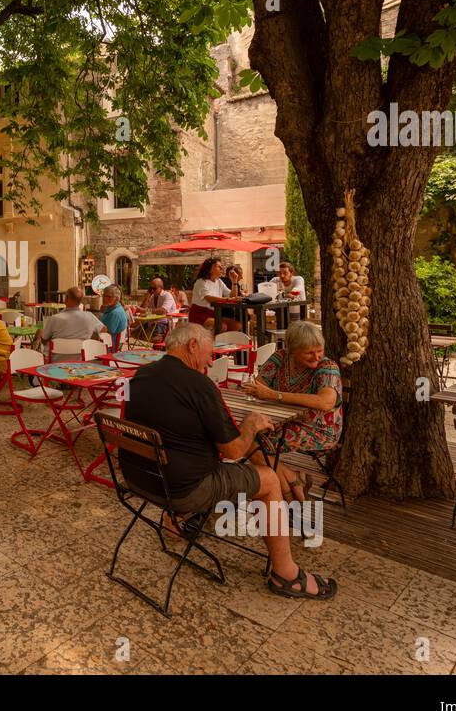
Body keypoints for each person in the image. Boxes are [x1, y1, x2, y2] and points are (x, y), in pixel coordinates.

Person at [124, 322, 337, 600]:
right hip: (182, 490)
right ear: (192, 346)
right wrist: (249, 424)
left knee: (241, 463)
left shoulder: (140, 376)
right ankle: (285, 574)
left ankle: (181, 519)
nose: (211, 361)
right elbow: (235, 451)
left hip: (139, 479)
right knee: (268, 478)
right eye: (209, 354)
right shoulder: (200, 385)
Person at [241, 320, 343, 502]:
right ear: (292, 350)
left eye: (320, 350)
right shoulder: (280, 358)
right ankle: (291, 478)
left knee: (250, 442)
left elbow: (326, 402)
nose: (317, 356)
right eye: (309, 352)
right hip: (280, 421)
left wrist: (275, 395)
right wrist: (265, 392)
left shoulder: (327, 367)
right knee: (244, 436)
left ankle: (282, 492)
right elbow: (259, 385)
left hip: (318, 429)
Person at [36, 284, 104, 359]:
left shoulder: (54, 318)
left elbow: (44, 340)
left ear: (66, 299)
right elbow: (103, 329)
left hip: (55, 360)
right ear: (80, 301)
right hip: (81, 360)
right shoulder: (90, 317)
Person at [188, 256, 241, 331]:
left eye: (221, 267)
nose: (221, 269)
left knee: (236, 325)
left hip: (213, 313)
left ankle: (224, 342)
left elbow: (233, 296)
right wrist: (228, 300)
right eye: (218, 267)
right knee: (222, 326)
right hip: (199, 314)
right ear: (210, 269)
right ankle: (214, 342)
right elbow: (209, 298)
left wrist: (234, 281)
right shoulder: (201, 281)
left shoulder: (218, 281)